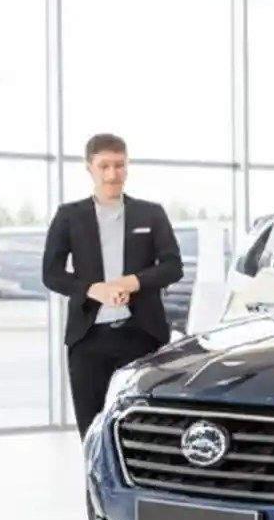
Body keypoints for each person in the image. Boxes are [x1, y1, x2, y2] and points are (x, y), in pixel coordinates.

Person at [42, 133, 183, 437]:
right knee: (94, 432)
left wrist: (132, 282)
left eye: (119, 166)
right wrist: (94, 289)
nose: (112, 174)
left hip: (143, 337)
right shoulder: (69, 216)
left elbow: (173, 267)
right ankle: (94, 487)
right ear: (89, 168)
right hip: (88, 340)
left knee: (146, 430)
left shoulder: (151, 213)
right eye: (104, 166)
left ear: (127, 166)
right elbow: (51, 274)